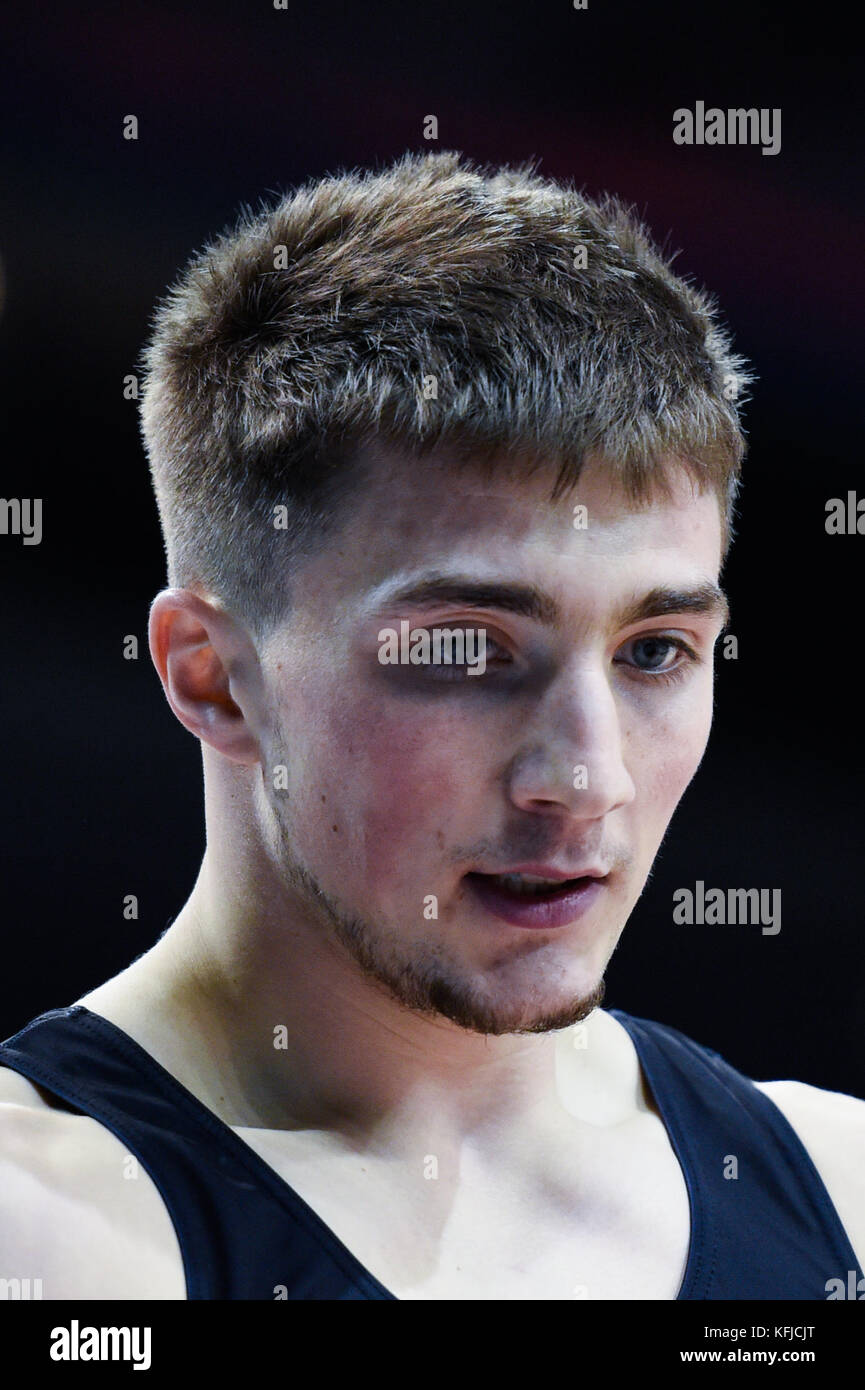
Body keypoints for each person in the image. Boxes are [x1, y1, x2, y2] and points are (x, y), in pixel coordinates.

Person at [1, 150, 862, 1301]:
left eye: (653, 652)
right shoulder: (41, 1234)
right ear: (213, 677)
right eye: (468, 651)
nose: (585, 777)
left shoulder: (840, 1191)